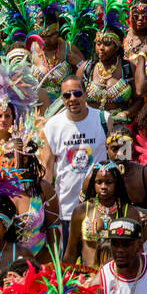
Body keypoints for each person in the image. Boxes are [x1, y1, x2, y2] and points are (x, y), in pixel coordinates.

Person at [42, 77, 109, 227]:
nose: (72, 99)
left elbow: (120, 161)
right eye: (67, 95)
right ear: (62, 99)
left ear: (85, 94)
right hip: (66, 209)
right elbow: (47, 170)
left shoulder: (104, 119)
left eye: (77, 93)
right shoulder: (52, 126)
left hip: (100, 208)